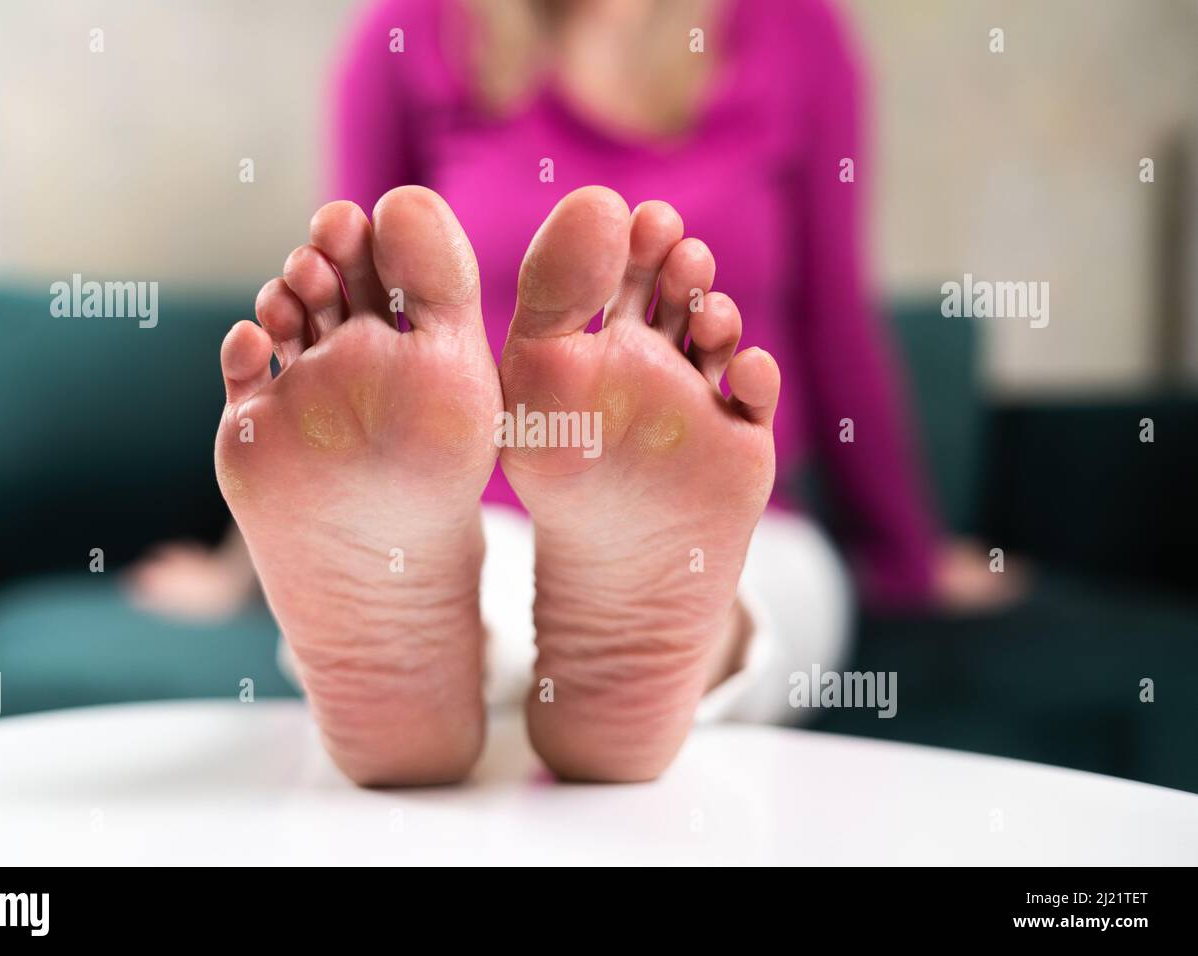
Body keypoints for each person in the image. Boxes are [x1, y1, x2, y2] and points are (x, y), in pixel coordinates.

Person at [129, 0, 1021, 786]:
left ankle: (562, 655)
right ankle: (560, 660)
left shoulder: (798, 30)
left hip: (721, 507)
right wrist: (234, 564)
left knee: (748, 582)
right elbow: (342, 328)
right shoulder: (408, 32)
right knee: (467, 563)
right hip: (455, 502)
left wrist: (910, 555)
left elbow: (836, 318)